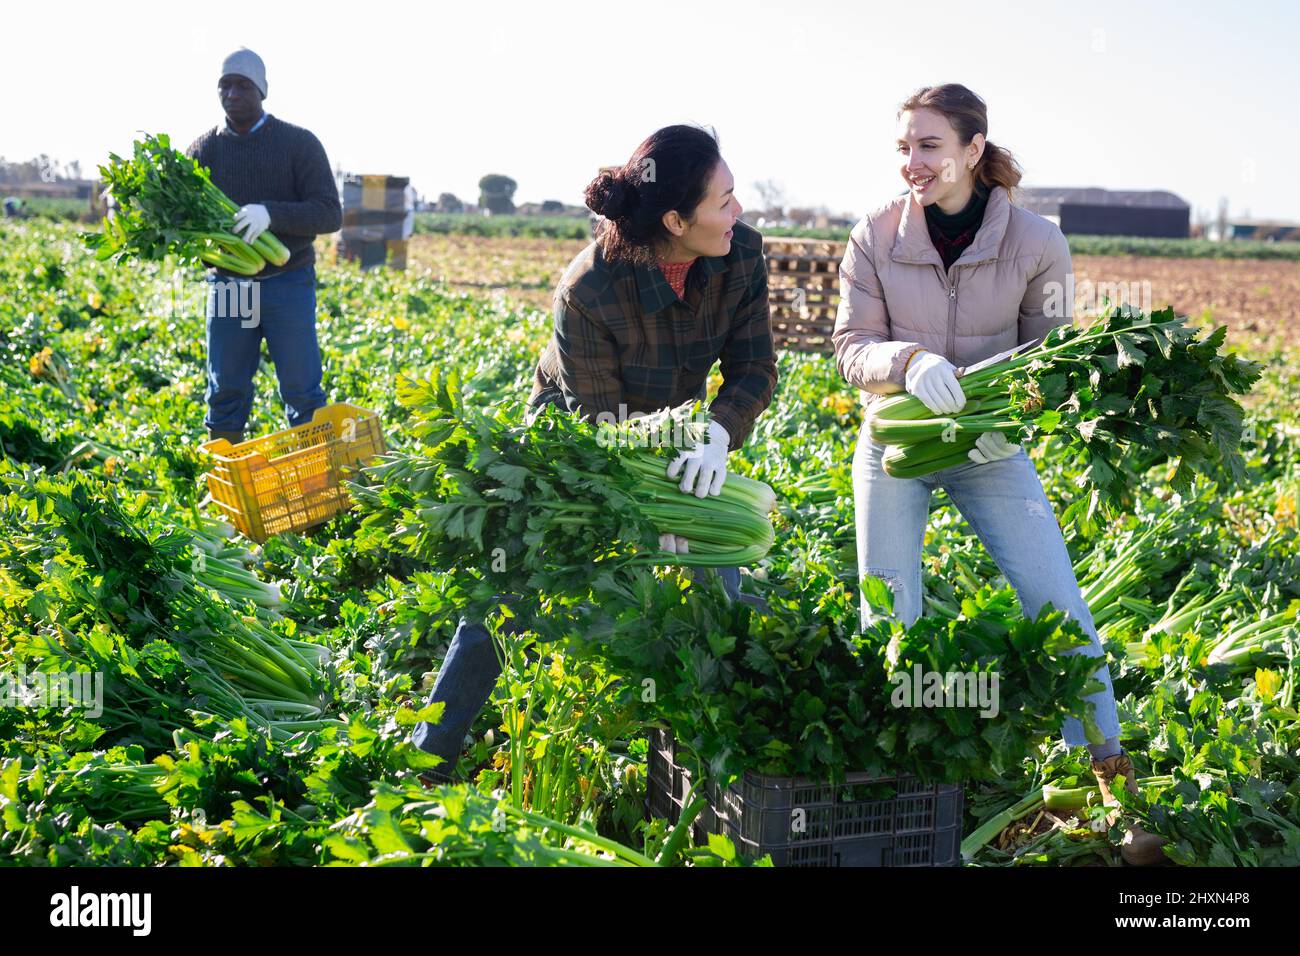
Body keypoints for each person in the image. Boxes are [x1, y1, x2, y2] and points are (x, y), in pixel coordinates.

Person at [832, 84, 1164, 866]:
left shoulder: (1039, 243)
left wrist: (999, 423)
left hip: (989, 448)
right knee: (890, 613)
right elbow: (850, 347)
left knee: (1059, 605)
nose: (914, 163)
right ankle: (899, 786)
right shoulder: (874, 234)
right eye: (904, 148)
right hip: (896, 443)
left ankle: (1110, 788)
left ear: (974, 149)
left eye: (930, 146)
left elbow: (1050, 365)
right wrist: (907, 363)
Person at [413, 124, 778, 780]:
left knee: (717, 593)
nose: (738, 210)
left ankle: (723, 764)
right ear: (674, 218)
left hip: (678, 433)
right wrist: (659, 509)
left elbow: (754, 370)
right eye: (723, 200)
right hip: (575, 436)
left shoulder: (741, 254)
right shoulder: (591, 288)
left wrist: (720, 433)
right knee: (512, 582)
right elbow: (601, 430)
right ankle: (429, 760)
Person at [185, 47, 342, 445]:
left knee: (303, 391)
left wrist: (271, 214)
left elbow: (329, 213)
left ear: (262, 91)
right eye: (225, 86)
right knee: (225, 389)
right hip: (230, 286)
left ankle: (317, 481)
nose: (232, 94)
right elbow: (182, 222)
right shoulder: (203, 151)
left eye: (243, 85)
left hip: (287, 283)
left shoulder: (298, 144)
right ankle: (225, 479)